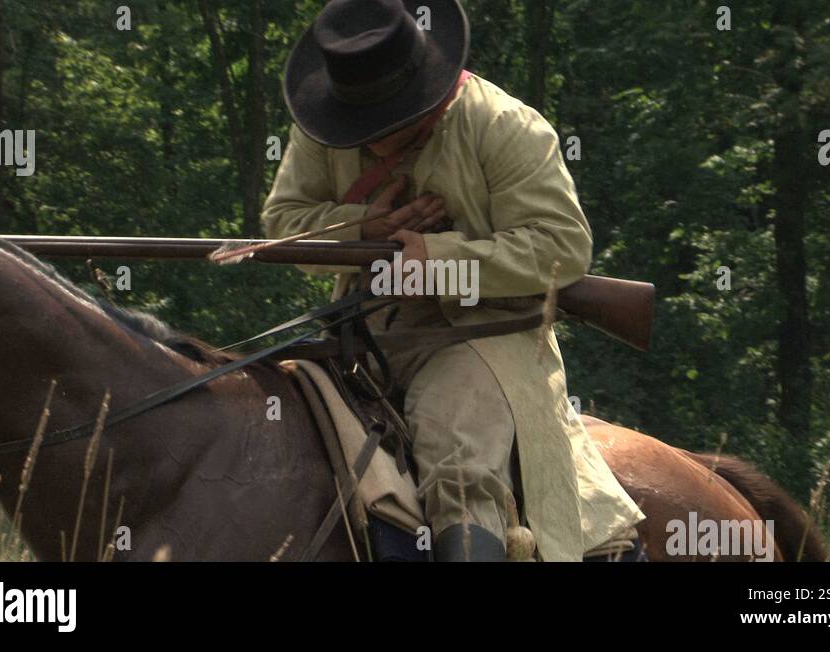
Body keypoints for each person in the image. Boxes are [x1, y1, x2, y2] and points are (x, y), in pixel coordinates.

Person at [263, 0, 644, 561]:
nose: (373, 142)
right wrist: (366, 228)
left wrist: (436, 260)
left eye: (389, 126)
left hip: (487, 332)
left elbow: (563, 246)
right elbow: (282, 227)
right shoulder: (326, 128)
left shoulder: (504, 125)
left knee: (458, 455)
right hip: (362, 332)